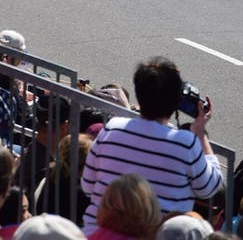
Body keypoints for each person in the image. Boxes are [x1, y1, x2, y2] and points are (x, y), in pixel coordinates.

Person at [81, 57, 222, 229]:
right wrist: (200, 132)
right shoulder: (185, 143)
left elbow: (88, 186)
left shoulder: (112, 128)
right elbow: (210, 186)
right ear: (175, 101)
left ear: (139, 95)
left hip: (98, 232)